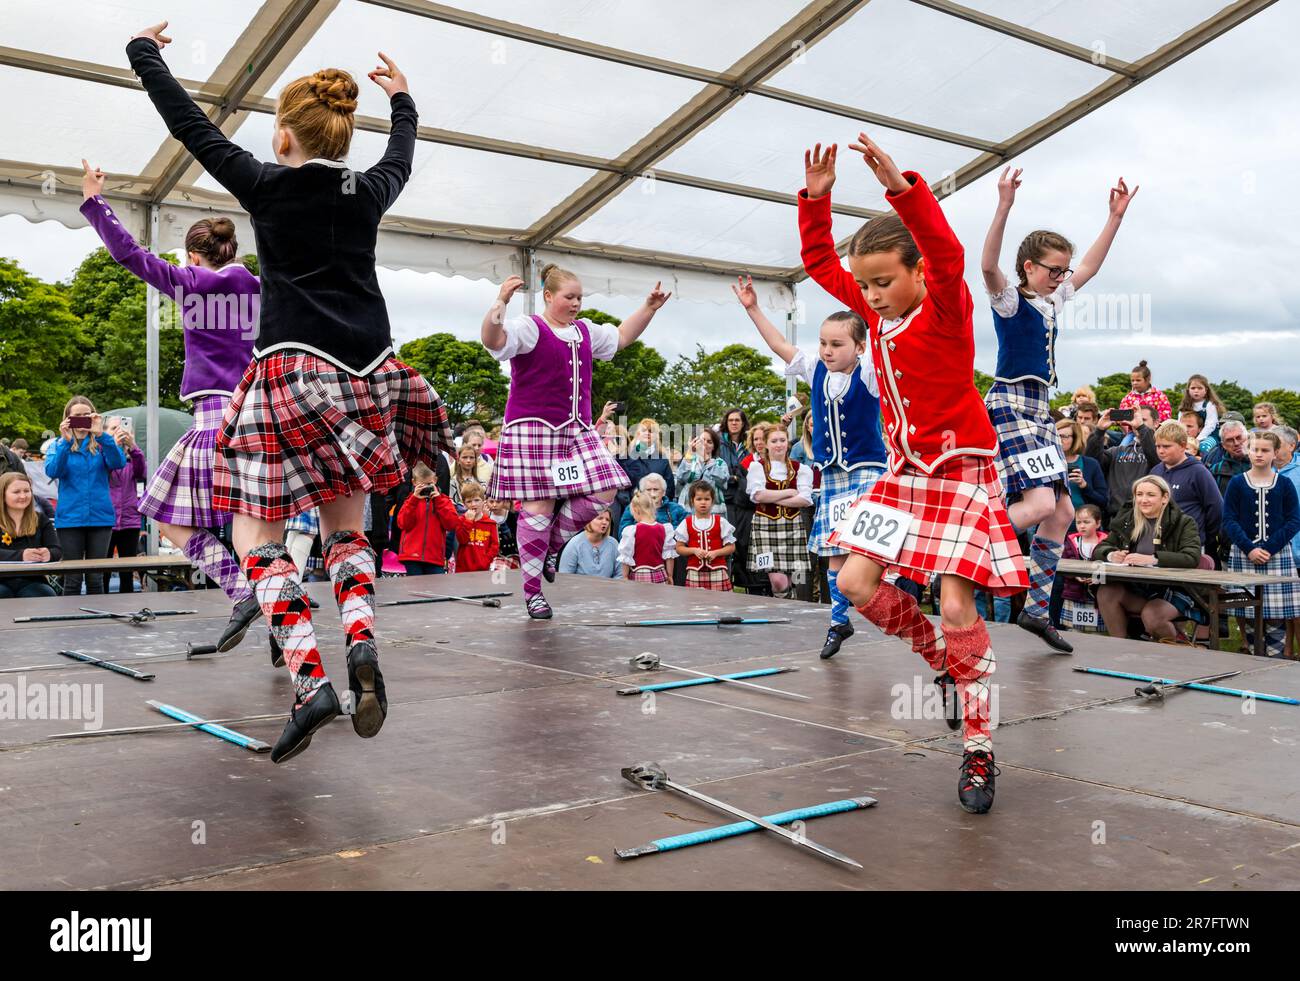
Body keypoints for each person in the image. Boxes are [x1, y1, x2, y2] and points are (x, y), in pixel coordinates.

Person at [128, 23, 454, 762]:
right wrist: (401, 100)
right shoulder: (368, 189)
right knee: (347, 531)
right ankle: (362, 647)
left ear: (283, 139)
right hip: (369, 378)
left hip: (288, 372)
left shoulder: (265, 184)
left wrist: (144, 54)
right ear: (342, 137)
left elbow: (188, 124)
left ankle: (312, 681)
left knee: (255, 538)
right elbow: (400, 154)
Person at [799, 137, 1027, 813]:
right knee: (851, 580)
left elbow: (950, 253)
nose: (871, 295)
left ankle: (979, 751)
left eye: (883, 281)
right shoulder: (875, 313)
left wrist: (902, 186)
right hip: (902, 475)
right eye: (864, 284)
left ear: (918, 270)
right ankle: (939, 658)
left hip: (959, 470)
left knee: (958, 603)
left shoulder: (948, 308)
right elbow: (816, 261)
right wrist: (817, 199)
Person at [80, 159, 262, 644]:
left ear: (193, 256)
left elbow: (130, 254)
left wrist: (96, 200)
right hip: (259, 421)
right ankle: (284, 618)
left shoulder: (191, 282)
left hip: (212, 419)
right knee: (263, 532)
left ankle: (239, 590)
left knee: (163, 514)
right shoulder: (263, 291)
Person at [980, 165, 1137, 655]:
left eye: (1062, 271)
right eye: (1053, 270)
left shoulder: (1054, 300)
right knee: (1043, 504)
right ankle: (969, 539)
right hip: (1009, 401)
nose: (1061, 277)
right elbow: (987, 266)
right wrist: (1004, 205)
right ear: (1029, 268)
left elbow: (1090, 266)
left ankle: (1033, 607)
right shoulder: (1010, 301)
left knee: (1064, 510)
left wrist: (1114, 218)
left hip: (1042, 409)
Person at [482, 266, 668, 619]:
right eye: (569, 297)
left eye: (580, 297)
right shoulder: (528, 327)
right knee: (539, 509)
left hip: (576, 430)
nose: (576, 303)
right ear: (549, 296)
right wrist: (500, 303)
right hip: (532, 428)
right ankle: (533, 592)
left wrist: (649, 308)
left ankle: (552, 544)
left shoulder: (583, 332)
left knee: (607, 491)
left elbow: (621, 337)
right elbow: (493, 341)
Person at [742, 277, 888, 656]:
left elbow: (896, 345)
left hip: (868, 469)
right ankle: (839, 622)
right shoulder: (814, 370)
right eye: (823, 342)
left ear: (860, 346)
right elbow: (779, 344)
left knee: (868, 540)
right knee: (834, 554)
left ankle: (898, 585)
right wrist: (753, 308)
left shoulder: (870, 373)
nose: (826, 350)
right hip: (834, 476)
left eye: (836, 344)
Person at [1093, 475, 1205, 641]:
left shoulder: (1184, 522)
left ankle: (1177, 651)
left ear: (1165, 498)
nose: (1143, 500)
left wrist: (1152, 559)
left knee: (1152, 615)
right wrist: (1111, 554)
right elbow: (1099, 549)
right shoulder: (1127, 520)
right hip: (1137, 588)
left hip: (1174, 589)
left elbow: (1191, 557)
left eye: (1150, 495)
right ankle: (1120, 648)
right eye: (1139, 494)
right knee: (1106, 592)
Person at [1222, 431, 1300, 657]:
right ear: (1248, 450)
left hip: (1277, 555)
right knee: (1247, 611)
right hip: (1244, 552)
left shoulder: (1284, 483)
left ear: (1275, 453)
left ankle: (1274, 659)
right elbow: (1229, 519)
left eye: (1265, 450)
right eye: (1255, 449)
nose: (1259, 454)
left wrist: (1269, 548)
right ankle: (1255, 657)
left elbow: (1293, 520)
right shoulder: (1237, 483)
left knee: (1276, 612)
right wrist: (1250, 548)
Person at [44, 396, 127, 596]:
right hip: (70, 519)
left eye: (86, 415)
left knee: (95, 578)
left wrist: (102, 435)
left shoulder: (101, 444)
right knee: (72, 578)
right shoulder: (57, 444)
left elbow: (119, 463)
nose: (82, 419)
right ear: (67, 419)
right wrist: (66, 442)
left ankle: (96, 626)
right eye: (77, 416)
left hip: (100, 518)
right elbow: (53, 471)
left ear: (94, 416)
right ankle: (70, 623)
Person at [745, 425, 813, 598]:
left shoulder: (801, 469)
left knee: (792, 579)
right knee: (778, 581)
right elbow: (758, 495)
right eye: (774, 441)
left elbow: (805, 500)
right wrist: (789, 492)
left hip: (792, 526)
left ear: (787, 443)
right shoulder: (757, 467)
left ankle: (786, 607)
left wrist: (772, 496)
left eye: (782, 440)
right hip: (765, 528)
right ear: (766, 444)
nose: (779, 444)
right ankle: (783, 599)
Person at [1149, 421, 1222, 551]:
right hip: (1159, 542)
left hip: (1189, 544)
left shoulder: (1199, 472)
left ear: (1183, 446)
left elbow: (1216, 508)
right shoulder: (1155, 471)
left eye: (1166, 446)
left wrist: (1204, 537)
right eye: (1158, 446)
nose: (1160, 451)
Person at [0, 472, 63, 599]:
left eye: (27, 491)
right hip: (1, 581)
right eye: (16, 492)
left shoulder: (40, 519)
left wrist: (49, 554)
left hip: (32, 581)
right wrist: (21, 555)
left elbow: (57, 549)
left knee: (45, 595)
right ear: (3, 494)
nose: (23, 496)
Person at [105, 418, 146, 593]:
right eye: (114, 428)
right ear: (106, 432)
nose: (120, 432)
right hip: (106, 518)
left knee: (127, 570)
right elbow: (103, 470)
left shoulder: (135, 457)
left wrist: (134, 447)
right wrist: (112, 446)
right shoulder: (101, 454)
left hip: (130, 519)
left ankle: (127, 607)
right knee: (102, 569)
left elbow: (143, 473)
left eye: (124, 429)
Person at [1095, 404, 1158, 519]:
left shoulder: (1161, 450)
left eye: (1143, 420)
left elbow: (1156, 458)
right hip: (1116, 517)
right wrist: (1099, 431)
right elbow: (1092, 463)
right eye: (1135, 419)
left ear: (1156, 423)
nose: (1138, 422)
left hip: (1146, 517)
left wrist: (1141, 427)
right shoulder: (1116, 451)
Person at [396, 463, 460, 576]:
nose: (426, 488)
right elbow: (403, 524)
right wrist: (414, 500)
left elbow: (452, 524)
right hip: (412, 556)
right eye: (422, 485)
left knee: (435, 590)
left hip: (434, 557)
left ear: (435, 480)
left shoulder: (444, 501)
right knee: (414, 591)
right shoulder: (410, 501)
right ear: (414, 482)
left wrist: (438, 501)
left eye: (429, 484)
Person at [674, 480, 736, 590]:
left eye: (707, 499)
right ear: (692, 501)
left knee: (721, 604)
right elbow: (679, 548)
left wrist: (716, 553)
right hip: (694, 572)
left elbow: (731, 547)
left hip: (718, 571)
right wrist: (694, 550)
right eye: (699, 499)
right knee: (696, 604)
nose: (703, 502)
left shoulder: (720, 522)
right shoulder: (687, 523)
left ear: (712, 502)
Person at [1059, 503, 1107, 633]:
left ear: (1098, 523)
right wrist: (1075, 574)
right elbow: (1065, 562)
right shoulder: (1070, 542)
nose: (1082, 526)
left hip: (1097, 595)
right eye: (1078, 522)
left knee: (1099, 632)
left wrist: (1099, 578)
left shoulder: (1106, 543)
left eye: (1086, 522)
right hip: (1074, 594)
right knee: (1073, 631)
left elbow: (1108, 565)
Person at [618, 490, 676, 583]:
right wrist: (670, 575)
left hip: (639, 575)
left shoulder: (632, 531)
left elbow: (626, 556)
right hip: (660, 574)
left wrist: (624, 576)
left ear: (636, 510)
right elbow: (669, 556)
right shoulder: (665, 529)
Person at [443, 480, 499, 573]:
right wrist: (468, 521)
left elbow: (494, 547)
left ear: (483, 501)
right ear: (464, 504)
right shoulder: (460, 521)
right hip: (463, 569)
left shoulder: (490, 523)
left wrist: (485, 561)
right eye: (469, 501)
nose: (473, 504)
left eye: (477, 500)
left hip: (482, 569)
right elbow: (462, 539)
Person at [1057, 417, 1107, 513]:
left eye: (1064, 436)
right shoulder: (1046, 461)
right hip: (1051, 523)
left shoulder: (1090, 464)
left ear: (1075, 439)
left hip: (1082, 524)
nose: (1059, 440)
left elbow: (1103, 501)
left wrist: (1084, 485)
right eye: (1056, 436)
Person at [674, 428, 730, 514]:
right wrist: (690, 452)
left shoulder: (720, 463)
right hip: (688, 512)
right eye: (702, 440)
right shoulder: (689, 460)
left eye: (709, 442)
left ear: (714, 446)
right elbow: (681, 478)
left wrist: (706, 459)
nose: (705, 444)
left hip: (713, 513)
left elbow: (723, 482)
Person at [617, 472, 688, 535]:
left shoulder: (676, 509)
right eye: (648, 490)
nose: (652, 493)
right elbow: (623, 533)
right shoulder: (633, 507)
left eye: (656, 489)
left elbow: (688, 527)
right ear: (642, 492)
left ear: (663, 492)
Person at [558, 510, 620, 579]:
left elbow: (620, 575)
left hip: (608, 589)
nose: (604, 522)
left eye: (607, 520)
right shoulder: (575, 544)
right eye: (600, 518)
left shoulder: (614, 544)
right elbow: (564, 576)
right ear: (588, 520)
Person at [1178, 374, 1225, 445]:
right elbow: (1179, 423)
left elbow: (1210, 425)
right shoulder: (1185, 405)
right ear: (1188, 390)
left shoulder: (1209, 405)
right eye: (1193, 388)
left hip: (1210, 435)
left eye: (1200, 388)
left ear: (1206, 390)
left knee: (1203, 447)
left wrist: (1198, 439)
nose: (1196, 391)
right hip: (1188, 435)